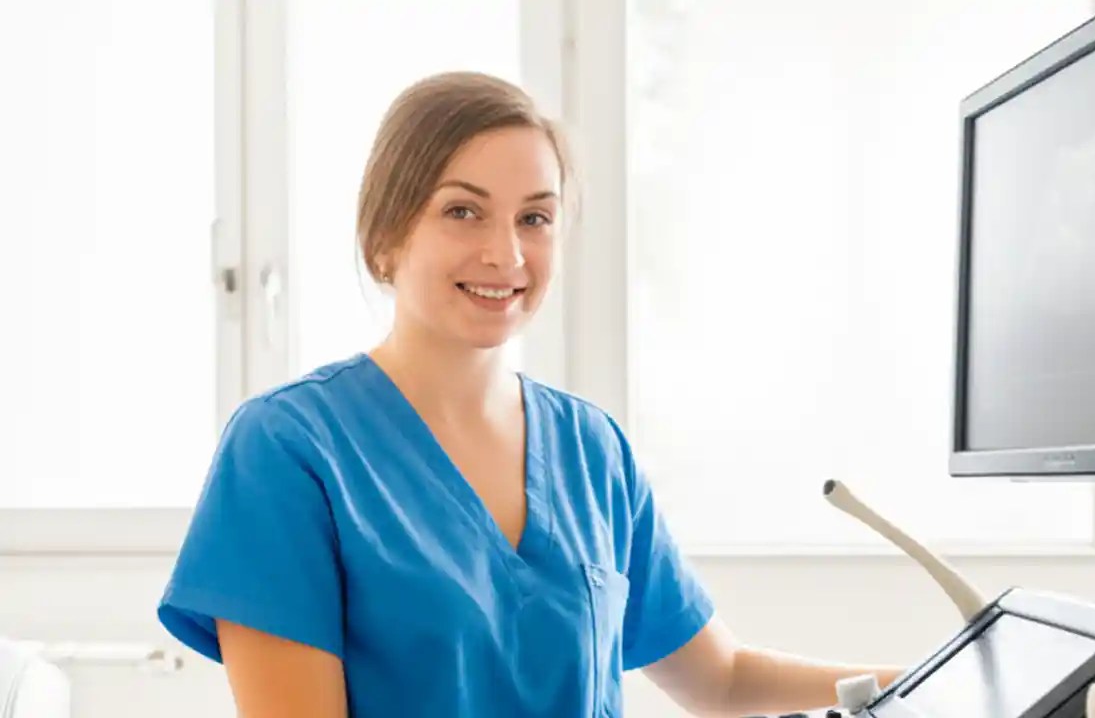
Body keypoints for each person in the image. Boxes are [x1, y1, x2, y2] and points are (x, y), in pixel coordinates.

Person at [156, 71, 900, 717]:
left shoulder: (590, 448)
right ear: (384, 237)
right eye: (462, 210)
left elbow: (721, 679)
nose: (506, 253)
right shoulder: (288, 449)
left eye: (534, 218)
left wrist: (932, 681)